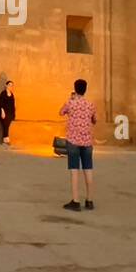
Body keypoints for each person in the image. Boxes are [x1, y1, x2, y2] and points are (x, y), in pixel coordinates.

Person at [59, 79, 97, 212]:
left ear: (75, 89)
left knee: (74, 170)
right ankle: (89, 200)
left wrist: (71, 99)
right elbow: (94, 120)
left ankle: (76, 201)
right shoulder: (90, 104)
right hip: (87, 141)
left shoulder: (70, 103)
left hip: (73, 141)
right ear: (85, 89)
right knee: (88, 169)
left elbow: (61, 112)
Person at [0, 80, 15, 146]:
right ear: (6, 86)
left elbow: (13, 105)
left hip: (10, 113)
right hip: (4, 113)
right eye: (9, 85)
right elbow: (1, 104)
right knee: (5, 125)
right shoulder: (3, 93)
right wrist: (2, 112)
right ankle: (6, 140)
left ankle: (5, 140)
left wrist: (13, 114)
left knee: (7, 126)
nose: (10, 86)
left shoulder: (12, 94)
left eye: (12, 85)